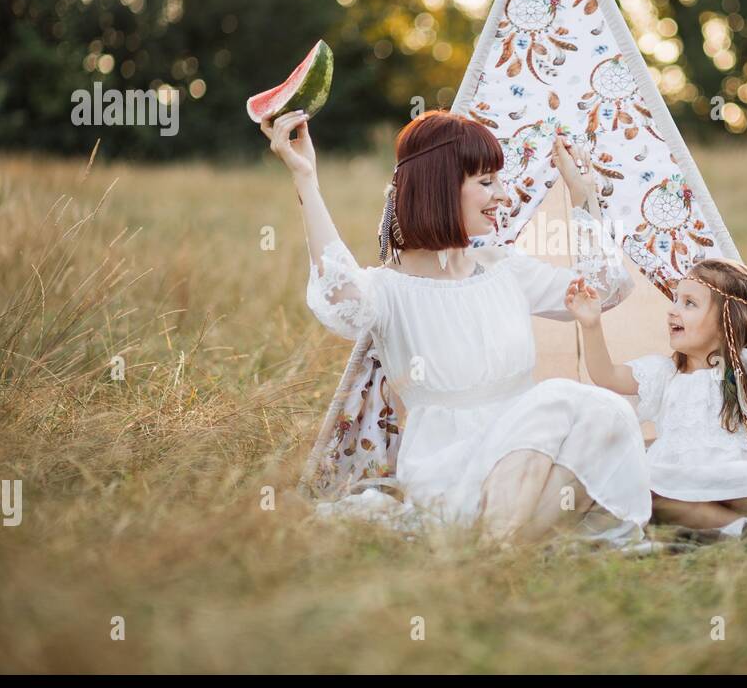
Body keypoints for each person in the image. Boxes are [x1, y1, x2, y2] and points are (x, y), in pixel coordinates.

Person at [263, 107, 651, 545]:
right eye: (486, 182)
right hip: (448, 472)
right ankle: (501, 540)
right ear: (442, 187)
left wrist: (583, 200)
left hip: (530, 463)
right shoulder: (389, 290)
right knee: (561, 396)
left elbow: (605, 289)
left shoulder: (505, 269)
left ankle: (497, 547)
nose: (502, 196)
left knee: (613, 413)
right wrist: (306, 180)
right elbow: (337, 296)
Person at [564, 250, 747, 530]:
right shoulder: (664, 373)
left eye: (689, 303)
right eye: (675, 300)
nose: (673, 310)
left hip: (732, 472)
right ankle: (741, 531)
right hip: (676, 476)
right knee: (651, 499)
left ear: (727, 322)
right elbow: (606, 376)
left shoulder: (743, 366)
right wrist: (591, 325)